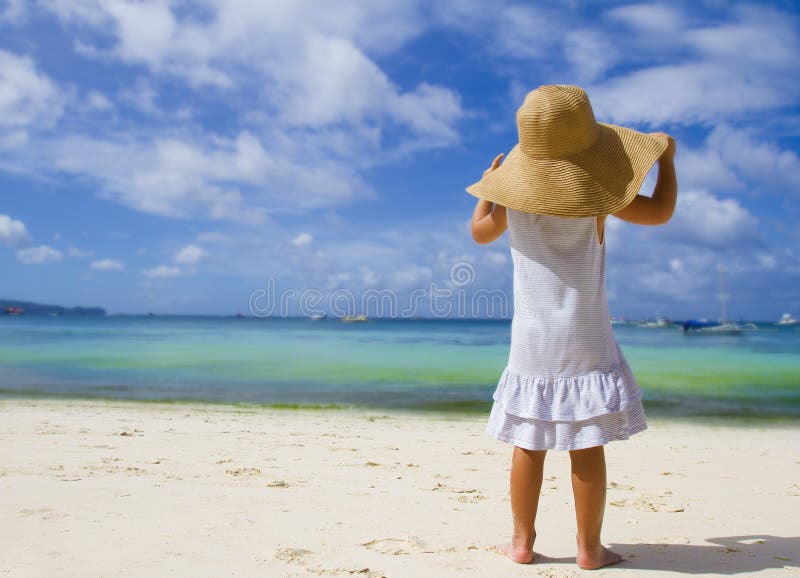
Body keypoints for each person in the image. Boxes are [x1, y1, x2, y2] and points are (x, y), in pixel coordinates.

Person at [466, 85, 677, 570]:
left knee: (529, 444)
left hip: (532, 342)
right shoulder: (599, 198)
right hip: (585, 338)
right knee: (586, 445)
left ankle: (521, 544)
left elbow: (479, 234)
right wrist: (667, 160)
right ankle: (589, 549)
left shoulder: (513, 204)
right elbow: (662, 211)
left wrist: (489, 189)